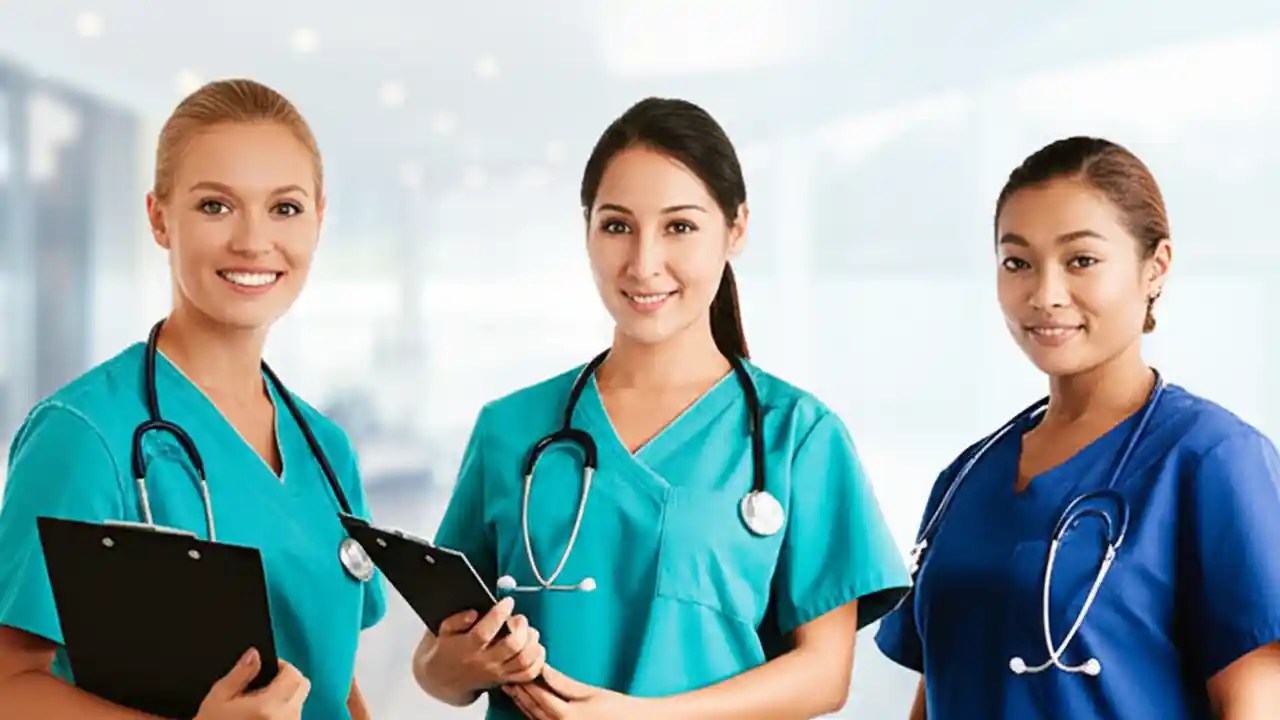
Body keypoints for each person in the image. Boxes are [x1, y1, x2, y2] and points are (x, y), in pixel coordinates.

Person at [410, 96, 911, 720]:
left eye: (680, 226)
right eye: (617, 225)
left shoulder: (796, 436)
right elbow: (436, 664)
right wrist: (460, 666)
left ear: (736, 229)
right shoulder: (510, 429)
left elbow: (824, 675)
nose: (644, 264)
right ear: (587, 229)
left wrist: (637, 717)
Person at [0, 78, 387, 720]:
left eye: (284, 208)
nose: (253, 241)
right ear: (158, 217)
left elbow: (331, 678)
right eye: (216, 206)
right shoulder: (84, 435)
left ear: (319, 218)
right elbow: (9, 685)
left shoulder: (327, 449)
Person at [875, 136, 1280, 719]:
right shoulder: (966, 477)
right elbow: (937, 689)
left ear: (1155, 267)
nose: (1045, 294)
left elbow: (1256, 701)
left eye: (1081, 261)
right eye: (1017, 263)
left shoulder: (1212, 459)